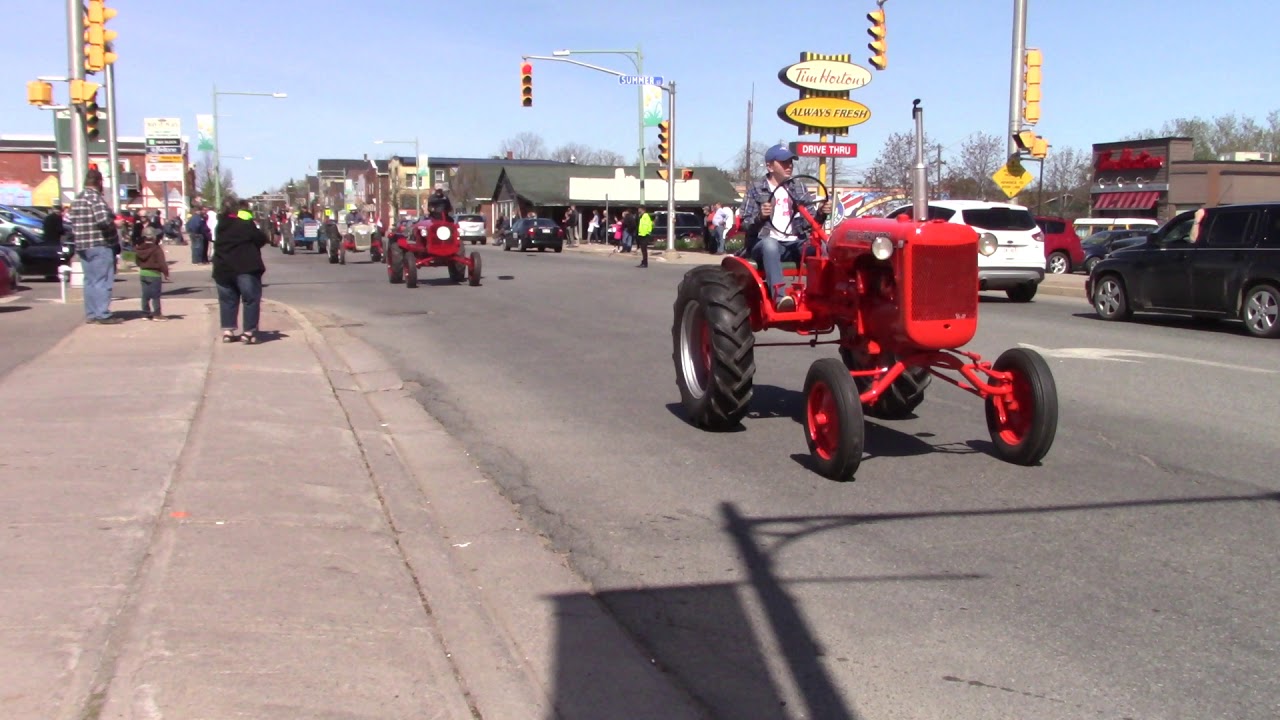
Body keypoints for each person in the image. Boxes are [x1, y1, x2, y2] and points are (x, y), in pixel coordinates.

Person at [738, 144, 822, 312]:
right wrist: (760, 217)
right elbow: (746, 224)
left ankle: (822, 297)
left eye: (791, 162)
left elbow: (809, 222)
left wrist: (821, 214)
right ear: (770, 165)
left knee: (823, 248)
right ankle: (780, 298)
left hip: (794, 242)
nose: (789, 166)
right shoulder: (756, 189)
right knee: (770, 244)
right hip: (763, 243)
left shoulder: (799, 187)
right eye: (784, 162)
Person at [67, 168, 122, 324]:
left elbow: (72, 222)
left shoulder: (78, 199)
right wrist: (116, 223)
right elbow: (103, 221)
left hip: (82, 245)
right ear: (99, 182)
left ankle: (91, 312)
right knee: (102, 280)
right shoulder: (95, 199)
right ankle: (102, 313)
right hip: (99, 244)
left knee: (90, 280)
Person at [212, 198, 268, 344]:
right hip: (245, 267)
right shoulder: (244, 223)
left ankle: (228, 331)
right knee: (250, 299)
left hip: (223, 268)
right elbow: (261, 239)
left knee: (227, 300)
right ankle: (248, 332)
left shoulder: (220, 225)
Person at [134, 224, 170, 320]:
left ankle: (145, 313)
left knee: (145, 295)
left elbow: (137, 262)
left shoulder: (139, 248)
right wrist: (166, 273)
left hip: (143, 273)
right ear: (154, 237)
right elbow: (162, 262)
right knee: (155, 296)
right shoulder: (156, 249)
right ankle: (157, 314)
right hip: (154, 274)